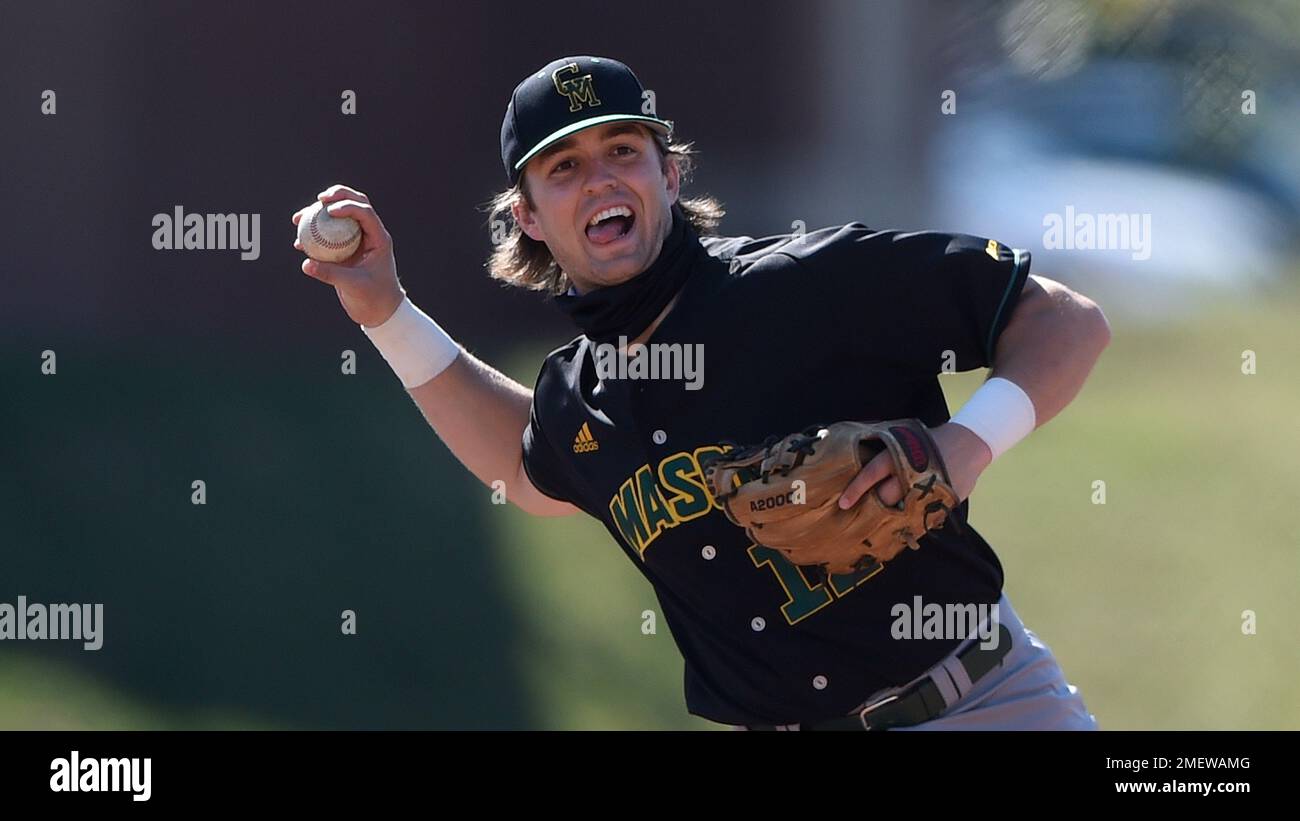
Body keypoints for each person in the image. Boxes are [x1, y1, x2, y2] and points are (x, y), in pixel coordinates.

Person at [293, 55, 1110, 730]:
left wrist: (959, 450)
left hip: (981, 703)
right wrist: (385, 312)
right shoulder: (578, 401)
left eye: (624, 151)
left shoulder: (805, 283)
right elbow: (527, 466)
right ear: (530, 217)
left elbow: (1066, 323)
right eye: (566, 166)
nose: (601, 178)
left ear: (670, 176)